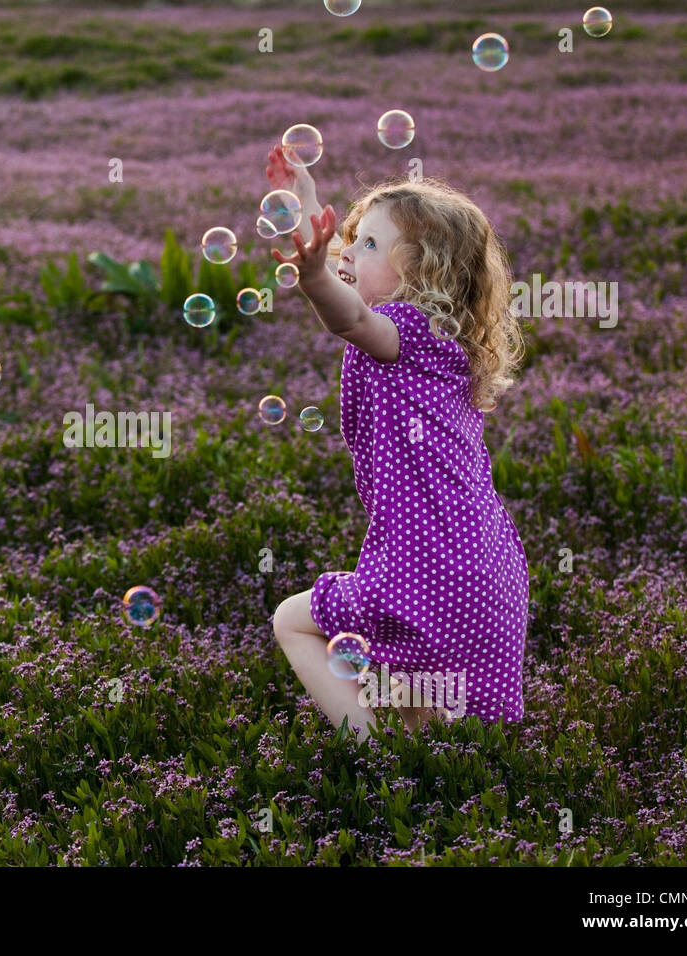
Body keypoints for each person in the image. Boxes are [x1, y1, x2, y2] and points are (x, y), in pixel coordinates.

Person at [265, 145, 529, 742]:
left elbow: (350, 317)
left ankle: (371, 755)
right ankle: (423, 776)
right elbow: (344, 272)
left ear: (424, 274)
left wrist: (311, 279)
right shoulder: (449, 344)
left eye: (370, 244)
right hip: (485, 568)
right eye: (351, 238)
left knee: (292, 620)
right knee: (425, 706)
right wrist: (306, 203)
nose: (347, 253)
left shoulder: (407, 331)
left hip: (427, 566)